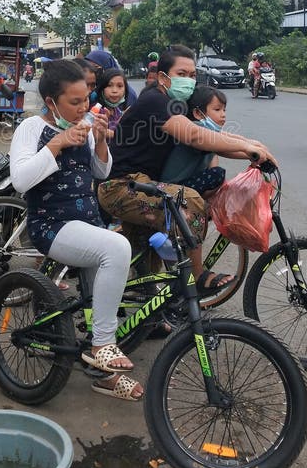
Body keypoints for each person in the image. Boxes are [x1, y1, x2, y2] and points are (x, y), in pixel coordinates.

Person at [9, 59, 143, 402]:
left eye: (85, 99)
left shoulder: (83, 124)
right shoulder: (31, 128)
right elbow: (22, 180)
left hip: (85, 224)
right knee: (117, 248)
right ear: (51, 101)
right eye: (75, 101)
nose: (84, 107)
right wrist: (58, 143)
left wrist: (99, 141)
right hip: (51, 226)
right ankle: (102, 345)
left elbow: (100, 171)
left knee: (98, 294)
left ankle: (104, 376)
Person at [98, 45, 277, 293]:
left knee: (147, 263)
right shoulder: (155, 101)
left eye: (193, 75)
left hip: (142, 183)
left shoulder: (175, 105)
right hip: (121, 186)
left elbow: (209, 139)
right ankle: (197, 276)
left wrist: (251, 147)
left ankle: (151, 322)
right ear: (163, 77)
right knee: (189, 202)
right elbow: (194, 136)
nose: (189, 80)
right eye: (182, 74)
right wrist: (248, 147)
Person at [160, 86, 227, 196]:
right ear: (198, 113)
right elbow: (228, 145)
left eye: (224, 110)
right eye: (217, 110)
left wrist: (253, 148)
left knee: (216, 173)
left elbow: (223, 145)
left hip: (185, 182)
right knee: (218, 174)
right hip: (173, 186)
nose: (223, 114)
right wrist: (248, 149)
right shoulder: (198, 130)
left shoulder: (211, 133)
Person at [96, 67, 130, 134]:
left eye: (120, 86)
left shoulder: (118, 111)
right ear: (101, 88)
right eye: (109, 85)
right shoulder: (96, 112)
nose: (114, 91)